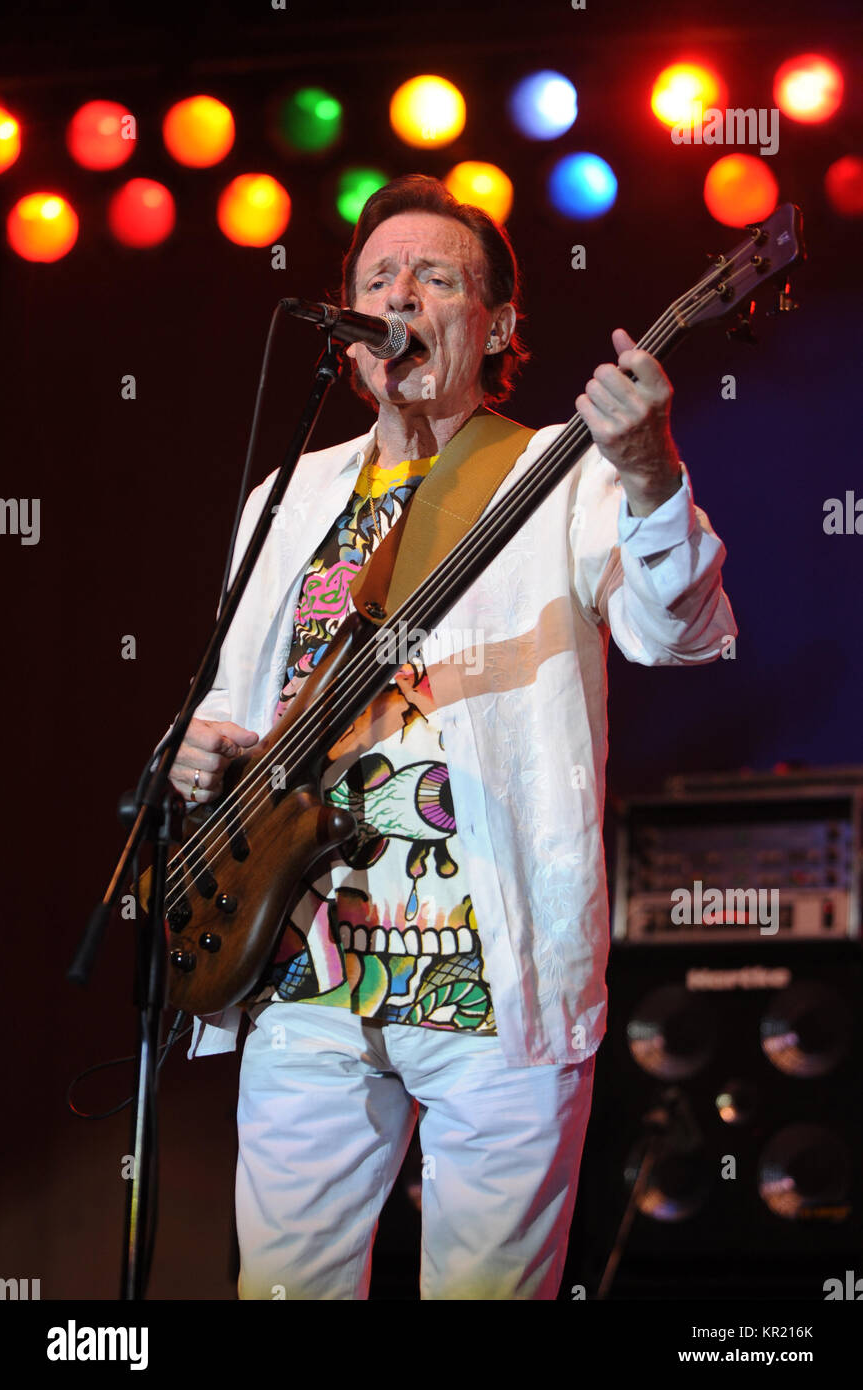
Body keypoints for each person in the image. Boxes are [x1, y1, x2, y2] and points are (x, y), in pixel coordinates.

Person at [168, 173, 735, 1300]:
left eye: (434, 276)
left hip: (492, 975)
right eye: (377, 278)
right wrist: (198, 748)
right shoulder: (288, 495)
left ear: (498, 325)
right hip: (303, 969)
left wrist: (647, 468)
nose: (400, 295)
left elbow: (679, 630)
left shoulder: (556, 476)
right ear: (346, 332)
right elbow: (238, 703)